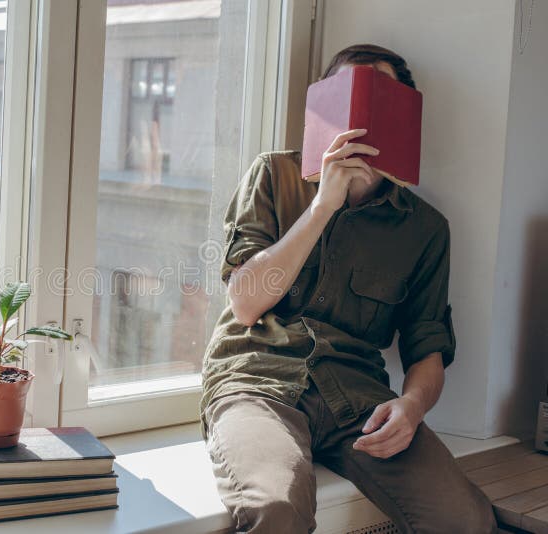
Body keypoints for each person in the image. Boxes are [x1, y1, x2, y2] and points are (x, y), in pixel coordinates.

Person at [199, 43, 498, 534]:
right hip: (257, 383)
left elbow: (427, 346)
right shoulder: (273, 175)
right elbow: (246, 303)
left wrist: (411, 407)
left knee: (465, 520)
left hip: (358, 399)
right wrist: (323, 205)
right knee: (276, 510)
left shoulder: (424, 229)